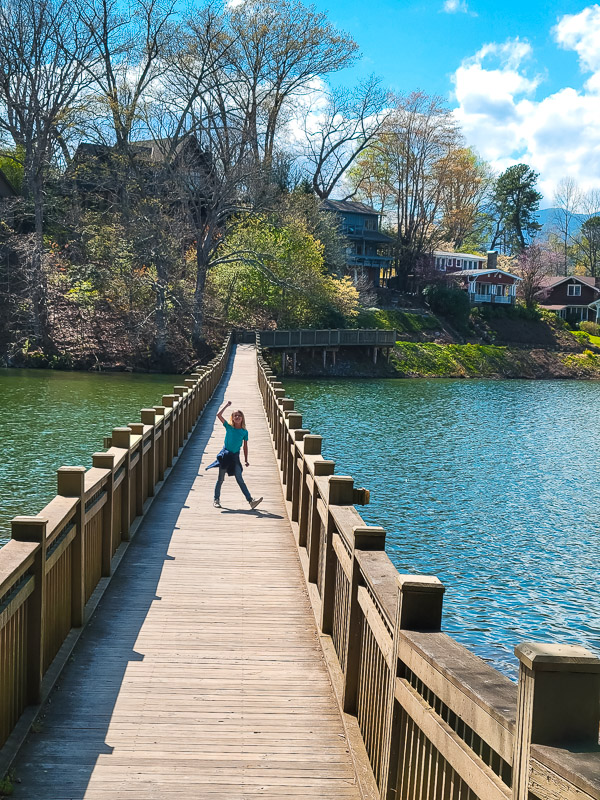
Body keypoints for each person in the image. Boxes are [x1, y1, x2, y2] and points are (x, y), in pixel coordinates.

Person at [213, 400, 262, 510]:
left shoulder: (244, 432)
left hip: (235, 457)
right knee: (220, 479)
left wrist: (246, 459)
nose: (237, 417)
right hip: (225, 456)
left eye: (239, 416)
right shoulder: (229, 427)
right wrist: (226, 405)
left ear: (242, 418)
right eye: (235, 416)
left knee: (239, 478)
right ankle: (216, 499)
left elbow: (245, 446)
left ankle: (251, 501)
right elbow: (218, 415)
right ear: (232, 418)